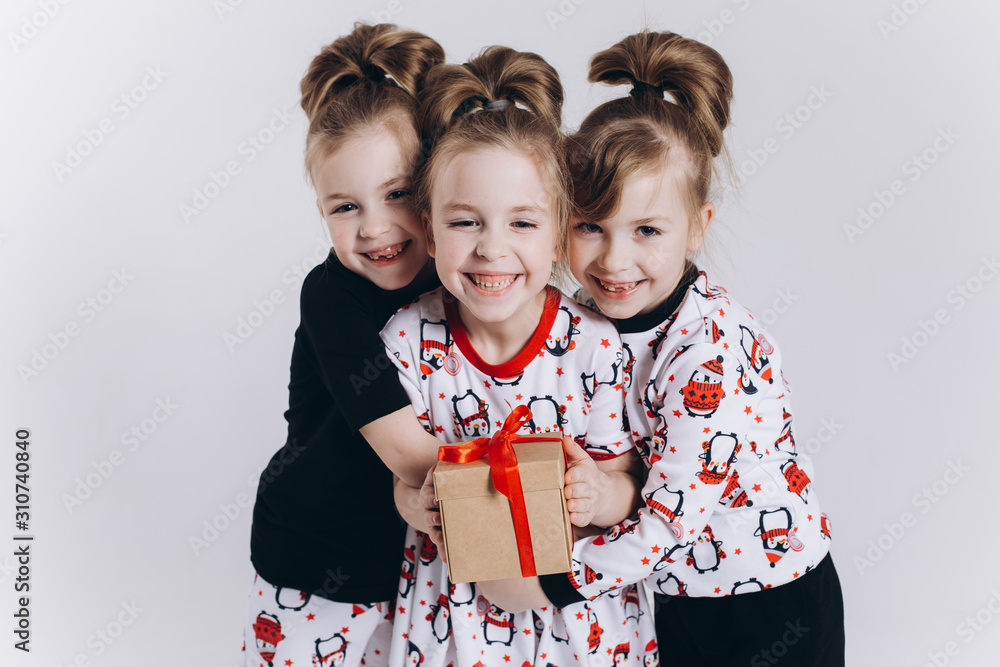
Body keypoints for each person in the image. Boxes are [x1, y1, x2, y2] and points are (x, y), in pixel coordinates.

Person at [481, 30, 846, 666]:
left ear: (698, 227)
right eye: (590, 226)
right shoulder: (589, 322)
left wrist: (550, 582)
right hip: (676, 596)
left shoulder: (711, 352)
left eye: (647, 230)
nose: (615, 259)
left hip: (769, 598)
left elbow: (668, 523)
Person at [381, 45, 658, 667]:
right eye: (466, 223)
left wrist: (600, 496)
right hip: (452, 612)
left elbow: (625, 481)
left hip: (573, 617)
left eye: (523, 224)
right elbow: (401, 484)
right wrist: (417, 505)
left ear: (561, 231)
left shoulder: (592, 347)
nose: (492, 250)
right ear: (428, 227)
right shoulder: (407, 338)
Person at [243, 23, 455, 667]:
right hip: (315, 563)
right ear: (320, 213)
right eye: (346, 207)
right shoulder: (333, 298)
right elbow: (412, 455)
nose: (377, 226)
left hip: (417, 569)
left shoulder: (464, 282)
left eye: (397, 194)